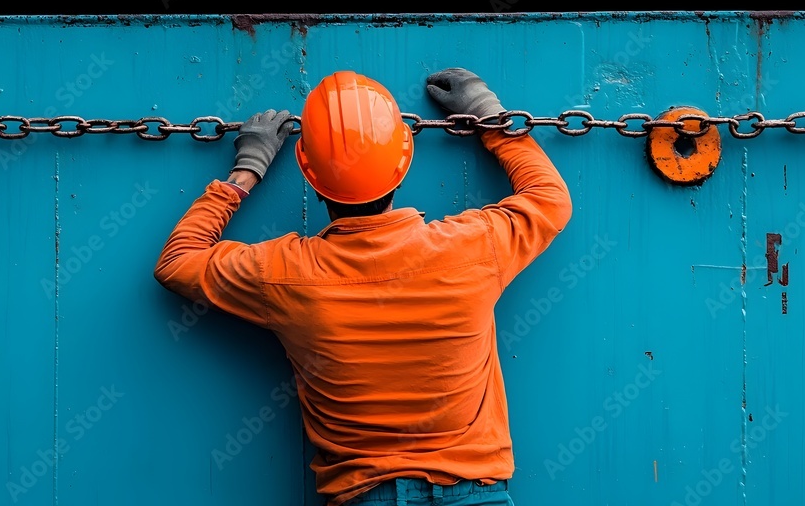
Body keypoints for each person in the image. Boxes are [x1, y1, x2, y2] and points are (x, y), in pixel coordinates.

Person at [154, 68, 573, 506]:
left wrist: (247, 169)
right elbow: (549, 199)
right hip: (475, 492)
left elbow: (177, 262)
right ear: (402, 165)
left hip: (364, 495)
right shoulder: (473, 247)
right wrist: (489, 115)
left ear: (310, 176)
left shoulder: (282, 272)